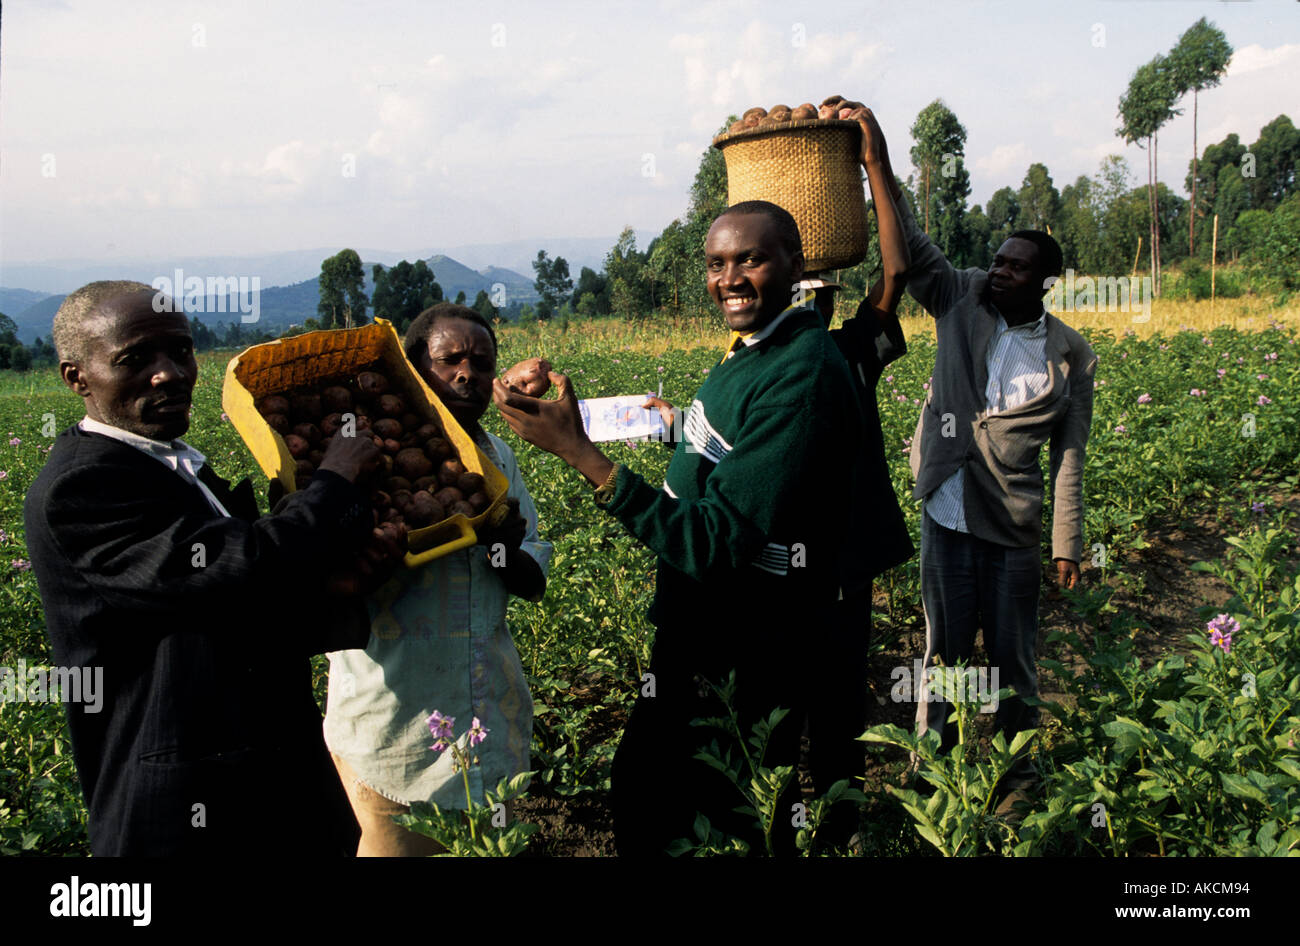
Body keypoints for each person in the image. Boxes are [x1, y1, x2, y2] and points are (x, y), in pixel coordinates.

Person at [494, 201, 864, 856]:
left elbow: (719, 542)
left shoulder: (801, 373)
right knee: (650, 794)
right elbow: (722, 463)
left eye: (750, 258)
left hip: (745, 645)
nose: (730, 278)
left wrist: (580, 453)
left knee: (701, 816)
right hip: (703, 632)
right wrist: (595, 420)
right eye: (716, 263)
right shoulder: (752, 352)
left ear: (796, 265)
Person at [23, 280, 400, 856]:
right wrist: (332, 480)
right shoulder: (84, 485)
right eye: (135, 359)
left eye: (179, 350)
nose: (169, 373)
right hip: (193, 810)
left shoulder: (168, 467)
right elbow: (242, 565)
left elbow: (222, 615)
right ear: (77, 378)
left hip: (269, 787)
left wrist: (333, 590)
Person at [884, 112, 1098, 797]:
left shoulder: (1068, 354)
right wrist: (875, 160)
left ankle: (1016, 780)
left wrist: (1068, 542)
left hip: (1012, 528)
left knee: (1013, 662)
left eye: (1016, 266)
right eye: (999, 260)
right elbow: (912, 246)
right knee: (943, 654)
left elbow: (1070, 455)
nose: (1000, 271)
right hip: (947, 510)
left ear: (1045, 282)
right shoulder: (960, 301)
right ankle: (930, 775)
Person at [324, 302, 551, 856]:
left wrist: (499, 546)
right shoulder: (366, 461)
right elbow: (324, 583)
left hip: (488, 719)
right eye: (449, 359)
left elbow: (530, 577)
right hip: (395, 727)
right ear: (413, 369)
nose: (465, 373)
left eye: (480, 361)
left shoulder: (498, 461)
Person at [801, 107, 915, 846]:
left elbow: (896, 269)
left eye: (820, 300)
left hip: (840, 572)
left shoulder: (850, 355)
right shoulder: (742, 373)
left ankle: (838, 829)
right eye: (799, 300)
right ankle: (789, 824)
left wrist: (874, 160)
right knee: (782, 718)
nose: (813, 310)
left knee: (838, 714)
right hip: (775, 578)